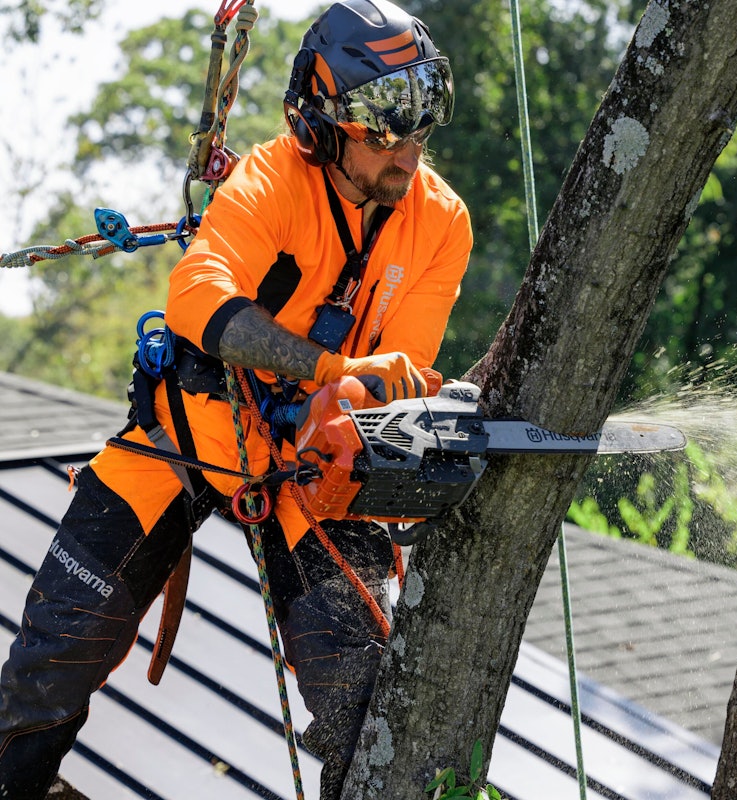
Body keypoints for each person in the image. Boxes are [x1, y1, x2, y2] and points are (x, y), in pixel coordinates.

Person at [0, 0, 471, 797]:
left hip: (313, 474)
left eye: (423, 122)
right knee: (43, 679)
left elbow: (400, 368)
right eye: (386, 128)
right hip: (188, 439)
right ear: (321, 126)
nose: (409, 150)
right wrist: (326, 371)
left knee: (365, 707)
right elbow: (196, 300)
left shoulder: (441, 222)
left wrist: (365, 400)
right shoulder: (270, 181)